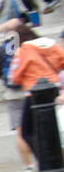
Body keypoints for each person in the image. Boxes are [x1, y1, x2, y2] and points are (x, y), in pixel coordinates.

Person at [8, 24, 64, 160]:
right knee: (52, 129)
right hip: (54, 89)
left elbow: (14, 77)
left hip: (34, 94)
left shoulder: (23, 50)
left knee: (27, 131)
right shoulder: (52, 44)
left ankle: (46, 160)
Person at [0, 26, 37, 172]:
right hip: (29, 91)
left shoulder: (1, 50)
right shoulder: (28, 47)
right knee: (37, 129)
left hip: (12, 94)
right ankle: (41, 159)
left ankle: (27, 166)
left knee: (20, 131)